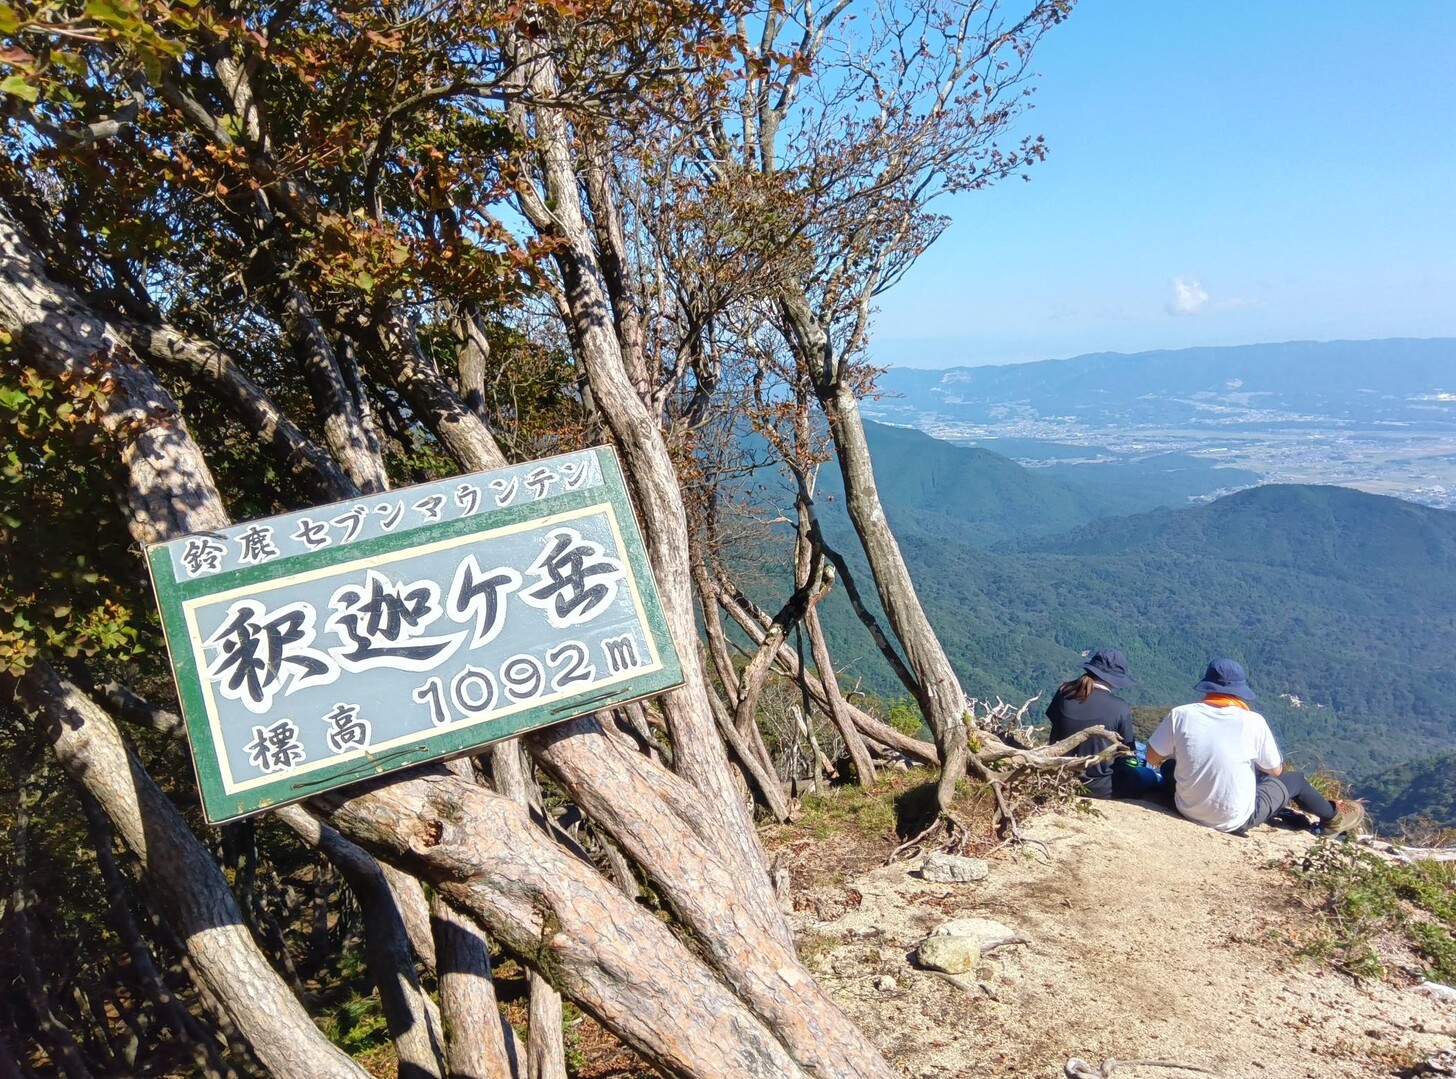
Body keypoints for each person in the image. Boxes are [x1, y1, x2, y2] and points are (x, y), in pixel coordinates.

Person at [1145, 658, 1364, 836]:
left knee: (1171, 764)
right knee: (1294, 780)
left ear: (1207, 685)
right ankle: (1333, 817)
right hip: (1236, 821)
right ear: (1240, 691)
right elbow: (1275, 771)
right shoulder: (1253, 721)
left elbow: (1153, 758)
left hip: (1187, 810)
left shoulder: (1181, 714)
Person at [1046, 648, 1138, 799]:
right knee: (1146, 776)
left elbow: (1055, 721)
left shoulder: (1063, 693)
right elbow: (1128, 752)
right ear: (1115, 679)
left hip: (1057, 777)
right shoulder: (1121, 707)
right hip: (1100, 788)